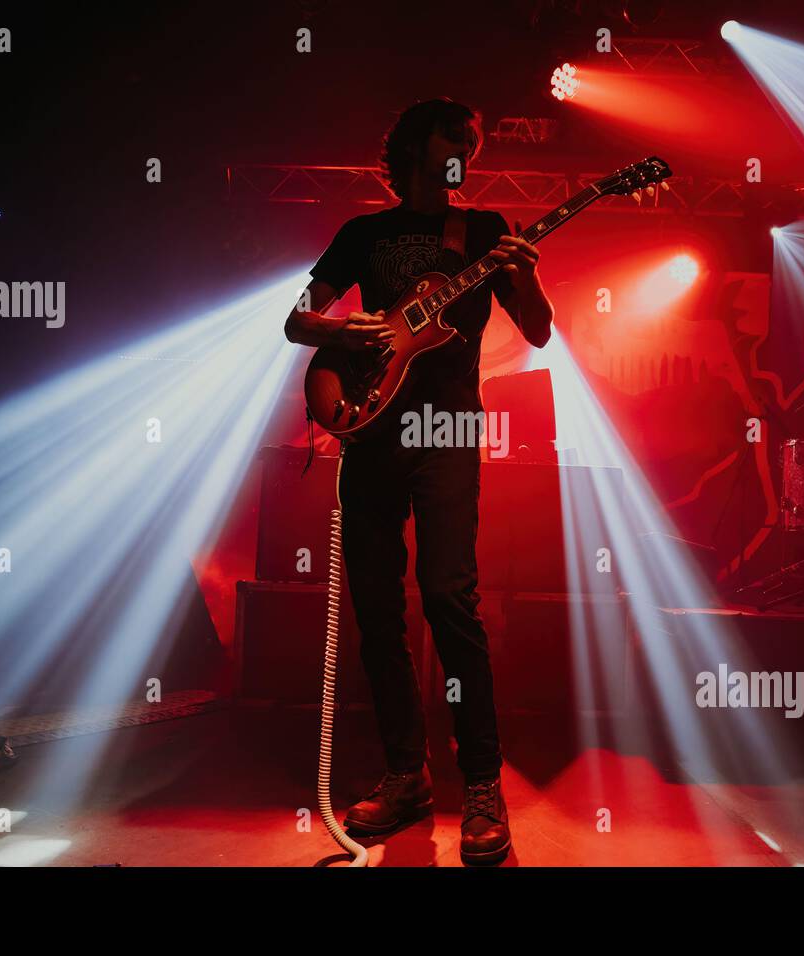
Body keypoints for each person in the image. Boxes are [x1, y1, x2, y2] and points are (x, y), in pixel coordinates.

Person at [284, 97, 554, 865]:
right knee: (377, 607)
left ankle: (480, 786)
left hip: (452, 430)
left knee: (448, 596)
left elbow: (535, 330)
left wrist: (528, 280)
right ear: (412, 147)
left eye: (472, 140)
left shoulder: (489, 230)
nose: (467, 145)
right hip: (373, 425)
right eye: (452, 136)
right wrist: (350, 328)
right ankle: (406, 775)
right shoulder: (362, 234)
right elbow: (298, 320)